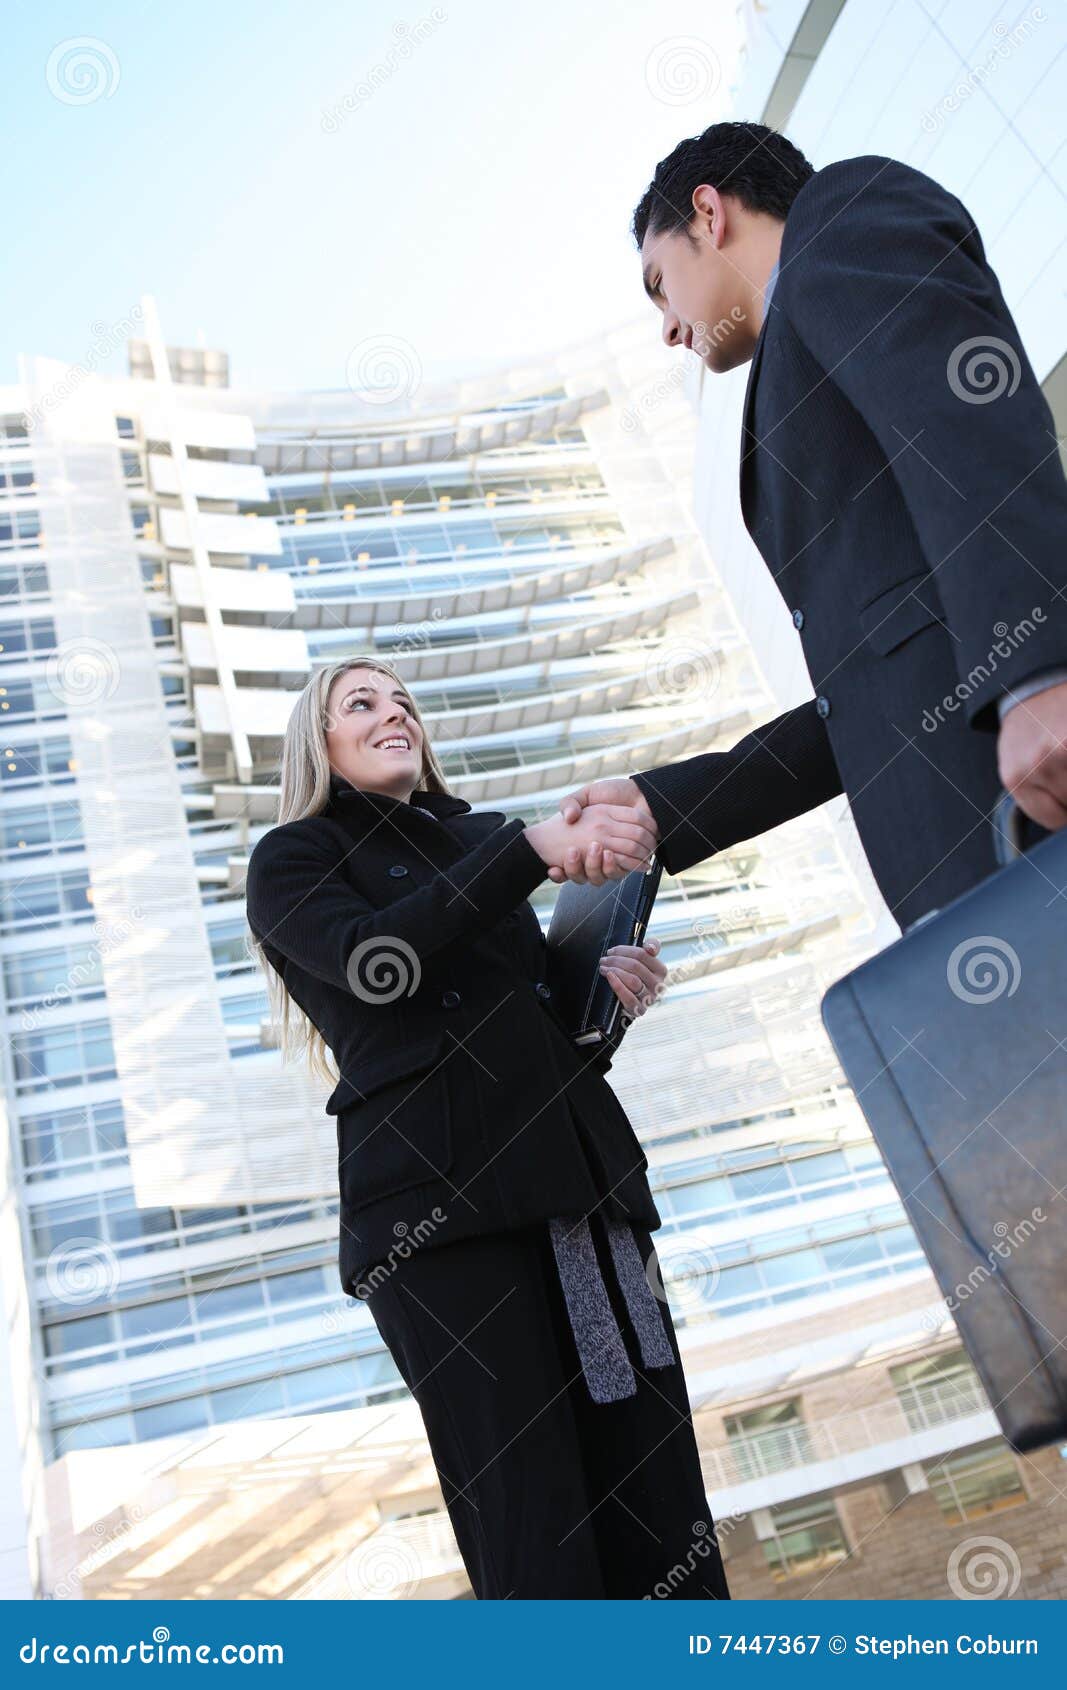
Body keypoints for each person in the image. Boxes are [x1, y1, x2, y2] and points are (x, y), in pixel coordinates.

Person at [244, 655, 730, 1601]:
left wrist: (600, 1002)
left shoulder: (478, 840)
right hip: (442, 1222)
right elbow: (374, 961)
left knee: (658, 1499)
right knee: (532, 1520)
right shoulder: (295, 856)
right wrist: (527, 853)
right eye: (364, 703)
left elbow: (529, 1039)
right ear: (322, 741)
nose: (396, 714)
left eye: (405, 702)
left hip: (580, 1196)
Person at [548, 121, 1067, 925]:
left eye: (658, 281)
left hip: (1030, 786)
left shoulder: (843, 217)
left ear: (708, 213)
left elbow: (973, 438)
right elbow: (866, 685)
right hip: (972, 850)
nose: (667, 327)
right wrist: (663, 809)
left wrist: (1040, 672)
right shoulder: (799, 345)